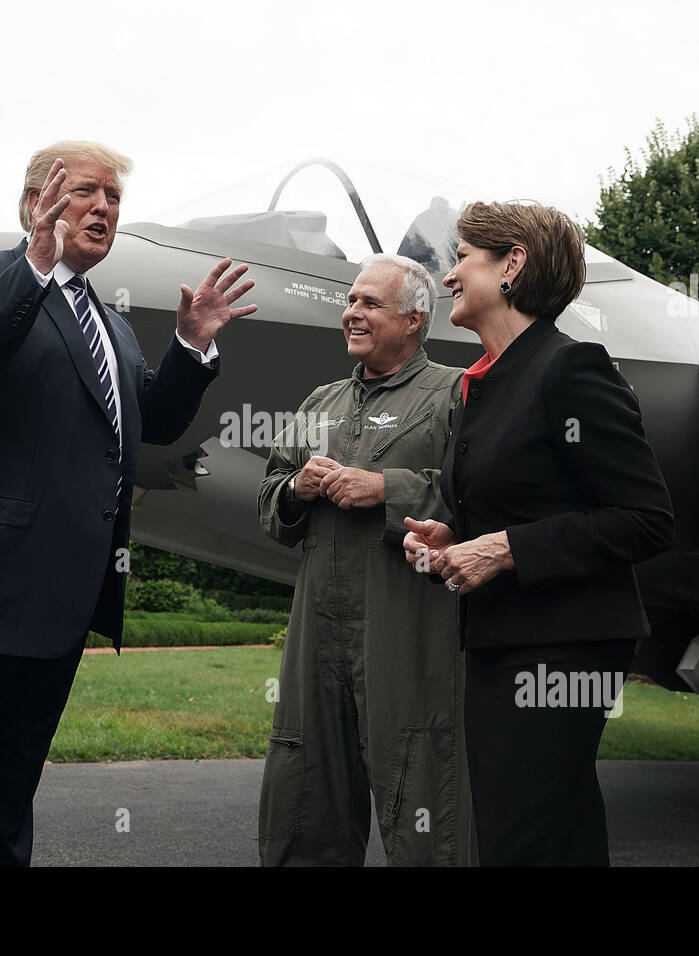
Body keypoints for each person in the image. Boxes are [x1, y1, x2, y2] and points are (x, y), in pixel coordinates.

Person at [0, 140, 257, 866]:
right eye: (86, 192)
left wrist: (192, 347)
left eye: (114, 199)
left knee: (2, 813)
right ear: (37, 201)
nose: (104, 207)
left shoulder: (112, 327)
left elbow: (149, 426)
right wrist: (35, 268)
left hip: (53, 609)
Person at [403, 201, 674, 866]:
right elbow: (521, 505)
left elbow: (645, 519)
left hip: (564, 649)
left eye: (462, 256)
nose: (448, 277)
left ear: (512, 264)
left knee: (523, 839)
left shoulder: (570, 368)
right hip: (502, 642)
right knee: (553, 835)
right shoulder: (482, 387)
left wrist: (505, 549)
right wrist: (452, 537)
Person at [257, 254, 475, 866]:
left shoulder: (455, 393)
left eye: (370, 304)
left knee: (425, 797)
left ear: (414, 318)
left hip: (408, 635)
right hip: (315, 641)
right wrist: (296, 488)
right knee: (304, 795)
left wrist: (388, 490)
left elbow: (482, 500)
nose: (352, 313)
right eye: (350, 302)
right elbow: (269, 504)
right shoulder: (319, 402)